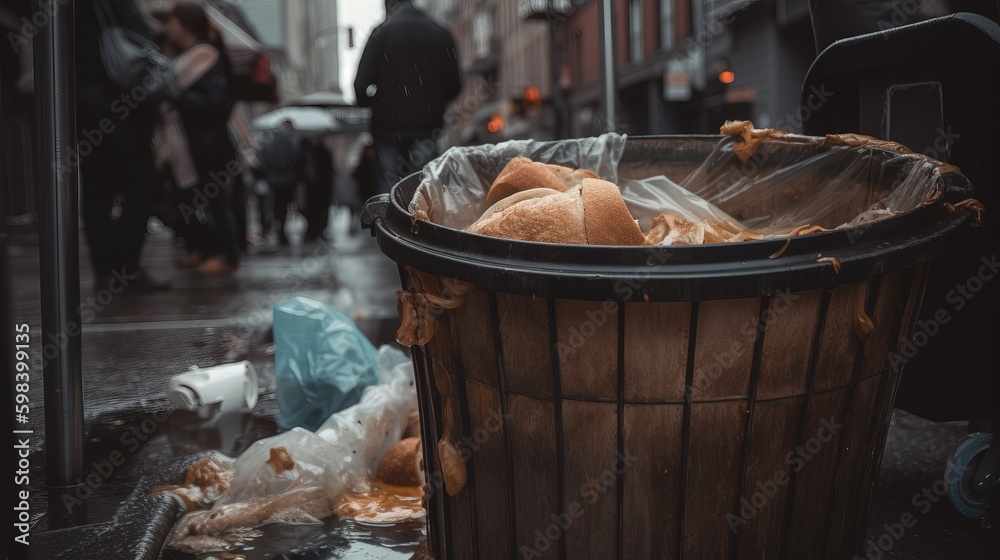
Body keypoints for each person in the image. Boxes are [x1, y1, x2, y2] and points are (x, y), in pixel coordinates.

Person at [76, 0, 168, 290]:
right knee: (141, 182)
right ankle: (125, 267)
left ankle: (107, 269)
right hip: (117, 102)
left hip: (85, 102)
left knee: (96, 188)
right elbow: (140, 40)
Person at [162, 1, 241, 274]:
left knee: (216, 202)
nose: (167, 28)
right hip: (193, 147)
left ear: (185, 24)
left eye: (172, 22)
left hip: (210, 146)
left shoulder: (205, 56)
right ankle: (205, 249)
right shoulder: (186, 57)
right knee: (187, 202)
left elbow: (218, 103)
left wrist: (178, 97)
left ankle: (227, 256)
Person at [354, 0, 462, 195]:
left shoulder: (381, 33)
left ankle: (391, 222)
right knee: (423, 189)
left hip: (387, 128)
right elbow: (455, 85)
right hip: (426, 127)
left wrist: (377, 103)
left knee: (388, 190)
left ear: (389, 6)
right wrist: (434, 102)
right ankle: (419, 223)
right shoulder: (440, 33)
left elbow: (360, 85)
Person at [255, 120, 301, 244]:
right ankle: (280, 229)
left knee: (274, 204)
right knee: (283, 205)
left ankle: (275, 226)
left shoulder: (270, 138)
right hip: (287, 178)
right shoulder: (290, 139)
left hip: (273, 178)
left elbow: (262, 156)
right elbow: (296, 156)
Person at [301, 135, 334, 242]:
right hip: (322, 190)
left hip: (312, 190)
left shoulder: (307, 153)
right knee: (321, 211)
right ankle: (318, 231)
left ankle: (313, 231)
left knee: (313, 211)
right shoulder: (324, 152)